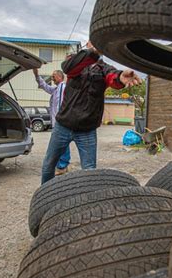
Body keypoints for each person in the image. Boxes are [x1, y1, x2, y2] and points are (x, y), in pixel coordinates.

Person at [40, 41, 141, 184]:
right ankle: (44, 197)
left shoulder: (105, 69)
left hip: (87, 130)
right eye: (92, 41)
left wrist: (120, 77)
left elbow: (113, 78)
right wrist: (92, 52)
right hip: (63, 126)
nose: (95, 44)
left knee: (90, 172)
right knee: (48, 165)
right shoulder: (75, 62)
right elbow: (68, 68)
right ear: (87, 44)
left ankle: (89, 201)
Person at [33, 68, 71, 176]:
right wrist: (37, 75)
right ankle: (62, 166)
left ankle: (62, 166)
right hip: (58, 123)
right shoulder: (56, 89)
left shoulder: (62, 88)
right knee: (62, 145)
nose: (52, 78)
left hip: (60, 122)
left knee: (61, 144)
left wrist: (60, 121)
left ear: (59, 77)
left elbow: (60, 106)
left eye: (53, 76)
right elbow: (45, 86)